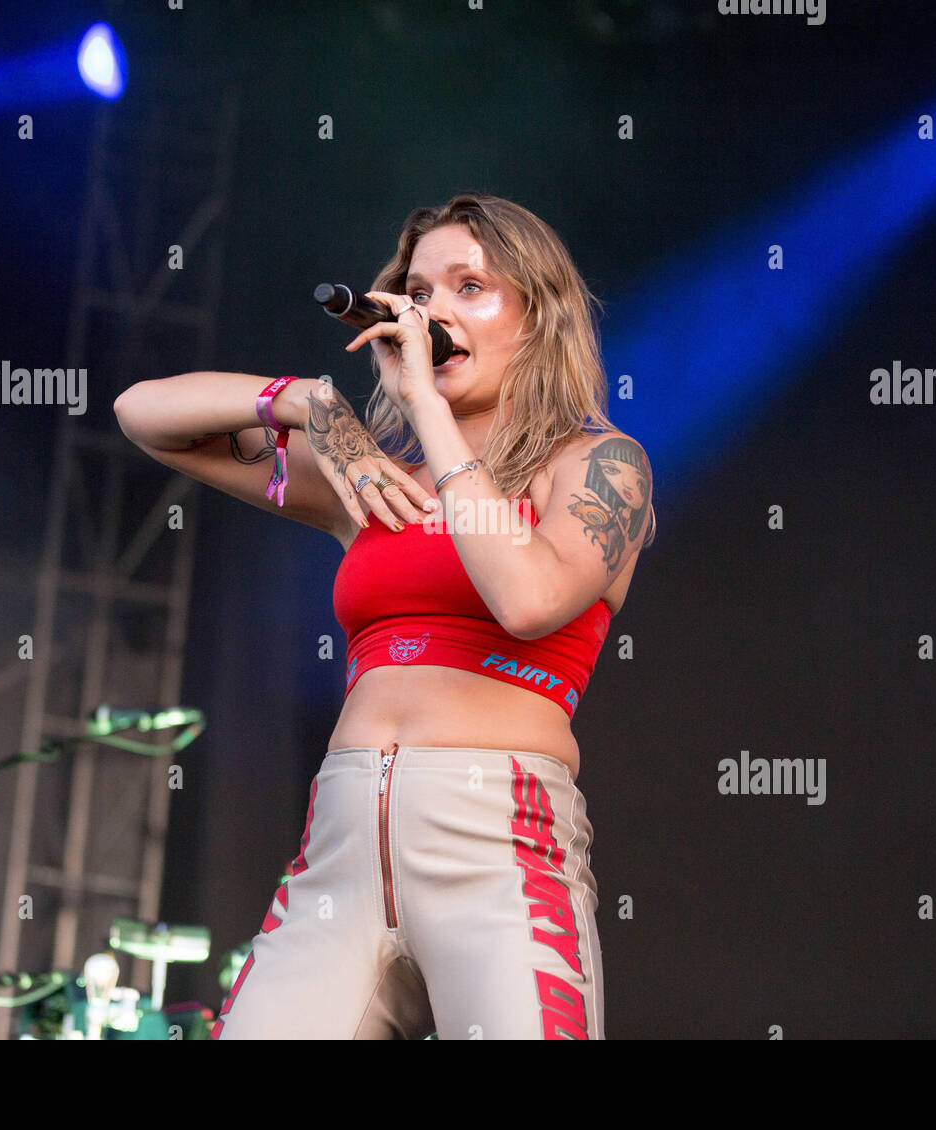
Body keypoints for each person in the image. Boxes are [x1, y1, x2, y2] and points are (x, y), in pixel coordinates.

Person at [113, 192, 655, 1039]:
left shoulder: (598, 464)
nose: (431, 310)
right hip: (341, 849)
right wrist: (305, 402)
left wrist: (431, 417)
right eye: (419, 289)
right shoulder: (372, 476)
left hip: (497, 846)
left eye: (469, 286)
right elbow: (142, 414)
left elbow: (526, 597)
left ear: (539, 318)